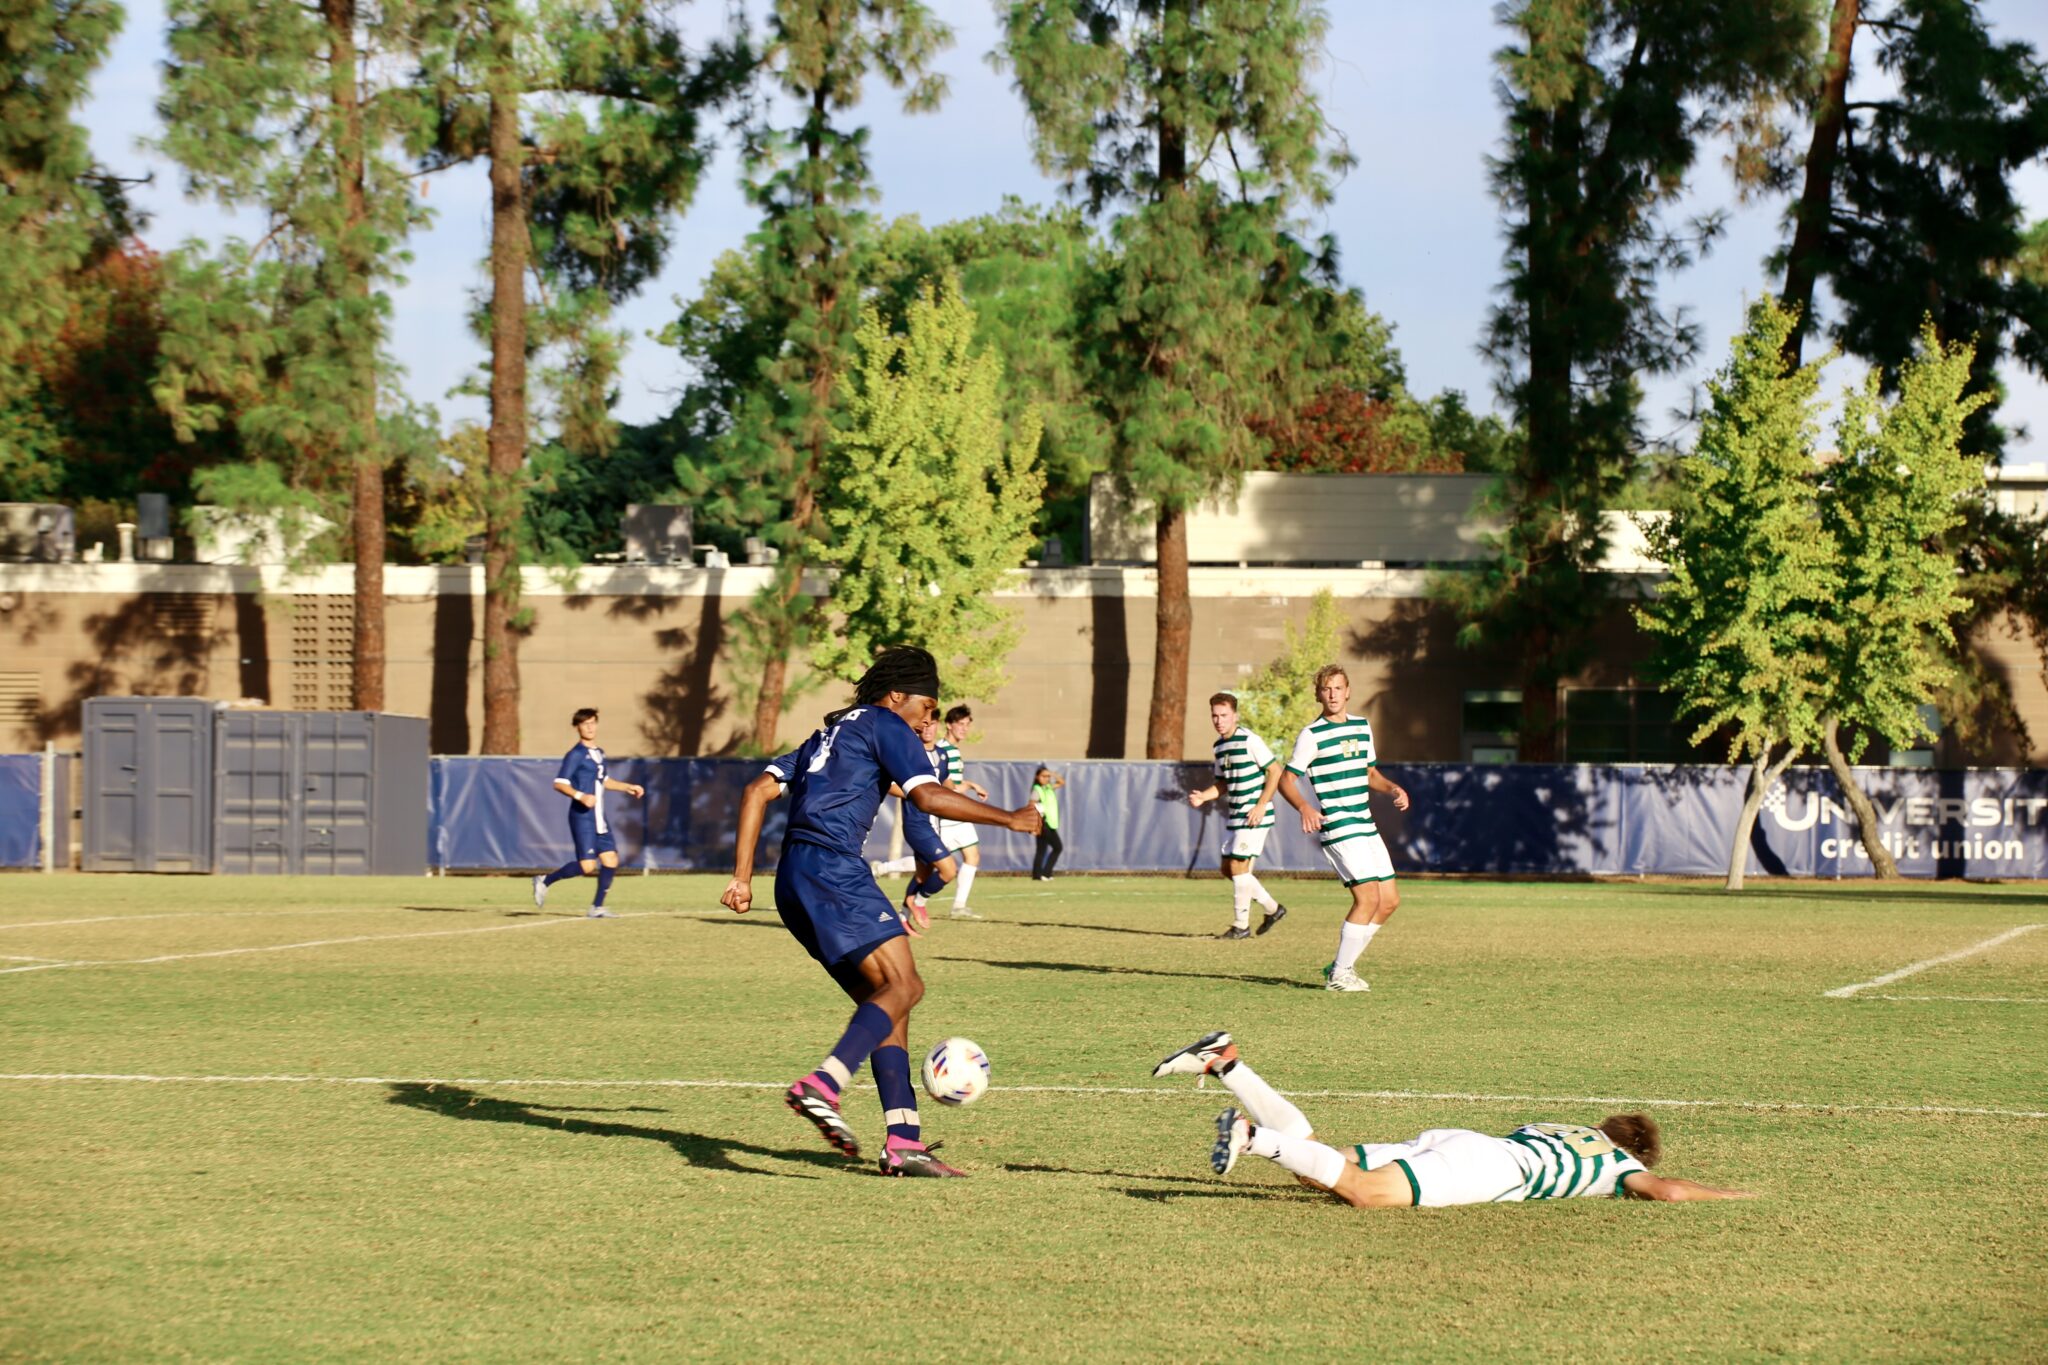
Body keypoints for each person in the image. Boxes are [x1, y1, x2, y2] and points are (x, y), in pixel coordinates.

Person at [723, 647, 1041, 1177]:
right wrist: (1010, 818)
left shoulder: (826, 734)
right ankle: (822, 1085)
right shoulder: (886, 723)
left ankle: (903, 1142)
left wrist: (740, 877)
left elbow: (757, 791)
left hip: (791, 881)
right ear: (897, 696)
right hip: (833, 869)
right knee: (906, 986)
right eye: (927, 705)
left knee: (888, 1002)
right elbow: (929, 798)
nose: (929, 718)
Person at [1153, 1031, 1755, 1207]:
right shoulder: (1623, 1164)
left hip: (1463, 1140)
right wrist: (1733, 1193)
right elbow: (1669, 1191)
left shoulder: (1566, 1128)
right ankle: (1252, 1138)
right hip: (1486, 1168)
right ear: (1632, 1151)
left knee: (1325, 1165)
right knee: (1362, 1193)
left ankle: (1228, 1065)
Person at [1276, 665, 1410, 991]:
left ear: (1348, 691)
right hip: (1339, 826)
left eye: (1338, 688)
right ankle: (1339, 975)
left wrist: (1393, 788)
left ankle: (1340, 967)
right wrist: (1305, 807)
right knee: (1367, 899)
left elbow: (1370, 774)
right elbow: (1286, 779)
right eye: (1326, 689)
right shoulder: (1312, 734)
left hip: (1365, 824)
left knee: (1389, 901)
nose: (1333, 694)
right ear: (1318, 694)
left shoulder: (1363, 727)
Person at [1185, 692, 1289, 939]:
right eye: (1215, 715)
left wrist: (1261, 805)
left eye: (1224, 715)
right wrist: (1203, 797)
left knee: (1237, 866)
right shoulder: (1220, 747)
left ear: (1235, 716)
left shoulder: (1249, 740)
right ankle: (1273, 909)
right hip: (1236, 815)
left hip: (1254, 814)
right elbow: (1222, 783)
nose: (1219, 720)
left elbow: (1275, 771)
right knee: (1227, 869)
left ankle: (1241, 926)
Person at [531, 707, 645, 918]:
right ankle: (545, 880)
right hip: (582, 817)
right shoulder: (575, 755)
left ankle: (597, 907)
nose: (590, 727)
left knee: (611, 860)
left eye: (593, 722)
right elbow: (559, 783)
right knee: (587, 866)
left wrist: (627, 787)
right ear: (577, 727)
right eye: (585, 724)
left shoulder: (599, 753)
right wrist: (580, 796)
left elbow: (604, 781)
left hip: (599, 817)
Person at [934, 704, 990, 918]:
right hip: (945, 812)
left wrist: (971, 785)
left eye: (967, 725)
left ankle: (958, 906)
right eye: (960, 724)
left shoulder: (953, 750)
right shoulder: (940, 749)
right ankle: (882, 868)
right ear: (948, 725)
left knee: (972, 855)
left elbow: (954, 781)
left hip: (957, 811)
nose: (964, 729)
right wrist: (963, 788)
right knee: (932, 860)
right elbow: (940, 784)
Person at [1029, 766, 1066, 880]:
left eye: (1048, 776)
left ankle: (1040, 874)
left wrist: (1052, 773)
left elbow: (1061, 782)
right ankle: (1043, 874)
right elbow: (1031, 805)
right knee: (1055, 847)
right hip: (1043, 823)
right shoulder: (1037, 789)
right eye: (1043, 776)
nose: (1046, 778)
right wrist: (1034, 824)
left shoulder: (1048, 788)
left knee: (1044, 849)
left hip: (1050, 823)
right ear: (1037, 777)